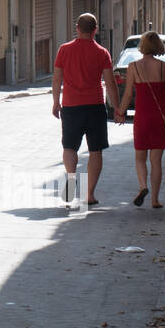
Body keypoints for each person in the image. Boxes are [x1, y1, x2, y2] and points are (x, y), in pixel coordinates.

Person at [114, 31, 165, 208]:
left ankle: (142, 186)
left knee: (140, 157)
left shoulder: (133, 67)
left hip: (142, 117)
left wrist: (120, 112)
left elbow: (127, 95)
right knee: (156, 161)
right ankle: (155, 200)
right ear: (158, 46)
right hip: (161, 117)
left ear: (142, 46)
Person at [52, 13, 118, 207]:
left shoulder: (64, 50)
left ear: (77, 28)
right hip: (95, 106)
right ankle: (89, 194)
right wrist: (117, 107)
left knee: (70, 147)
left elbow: (57, 78)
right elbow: (110, 82)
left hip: (71, 106)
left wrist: (56, 102)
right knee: (96, 150)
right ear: (95, 30)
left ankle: (71, 184)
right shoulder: (102, 52)